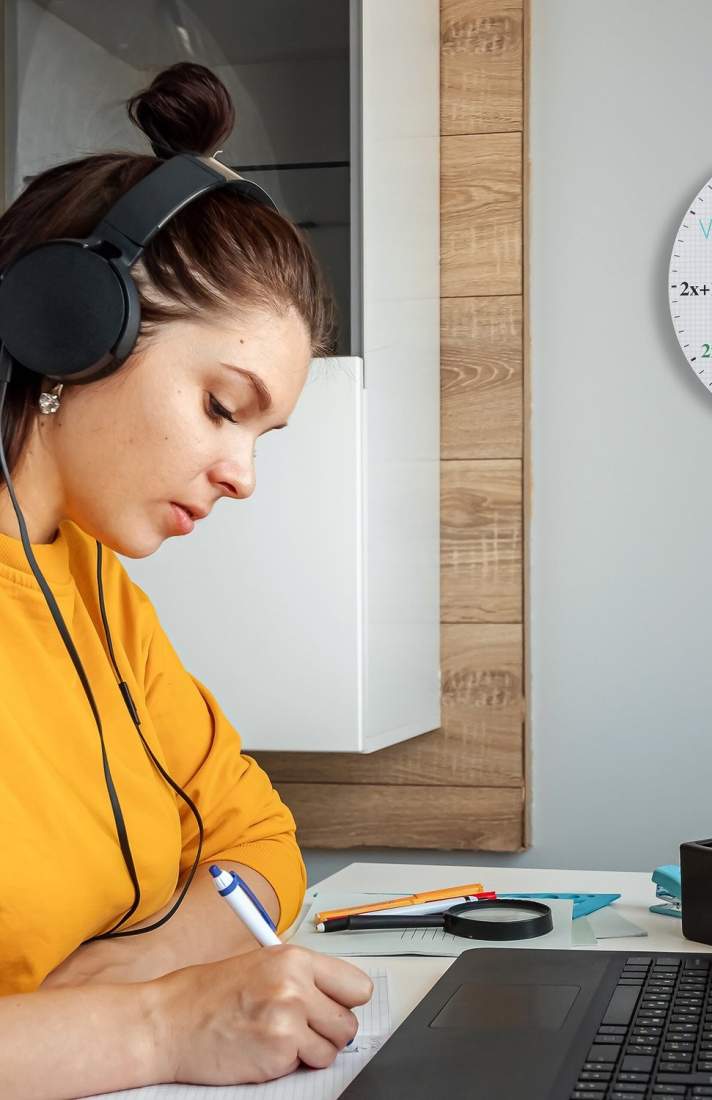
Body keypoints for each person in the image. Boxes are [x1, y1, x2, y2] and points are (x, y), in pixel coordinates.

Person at [0, 64, 373, 1096]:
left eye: (264, 434)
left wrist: (124, 974)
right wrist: (153, 1026)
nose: (242, 476)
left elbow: (260, 841)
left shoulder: (95, 588)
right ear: (67, 329)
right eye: (222, 405)